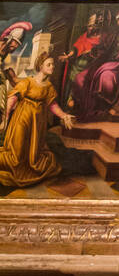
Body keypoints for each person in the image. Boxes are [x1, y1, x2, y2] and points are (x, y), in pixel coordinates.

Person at [0, 52, 73, 190]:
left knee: (32, 154)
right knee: (17, 151)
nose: (52, 67)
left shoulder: (49, 87)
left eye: (53, 64)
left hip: (37, 123)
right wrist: (5, 118)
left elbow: (52, 105)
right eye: (49, 64)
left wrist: (63, 115)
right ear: (40, 66)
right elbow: (12, 98)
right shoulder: (28, 82)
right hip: (22, 119)